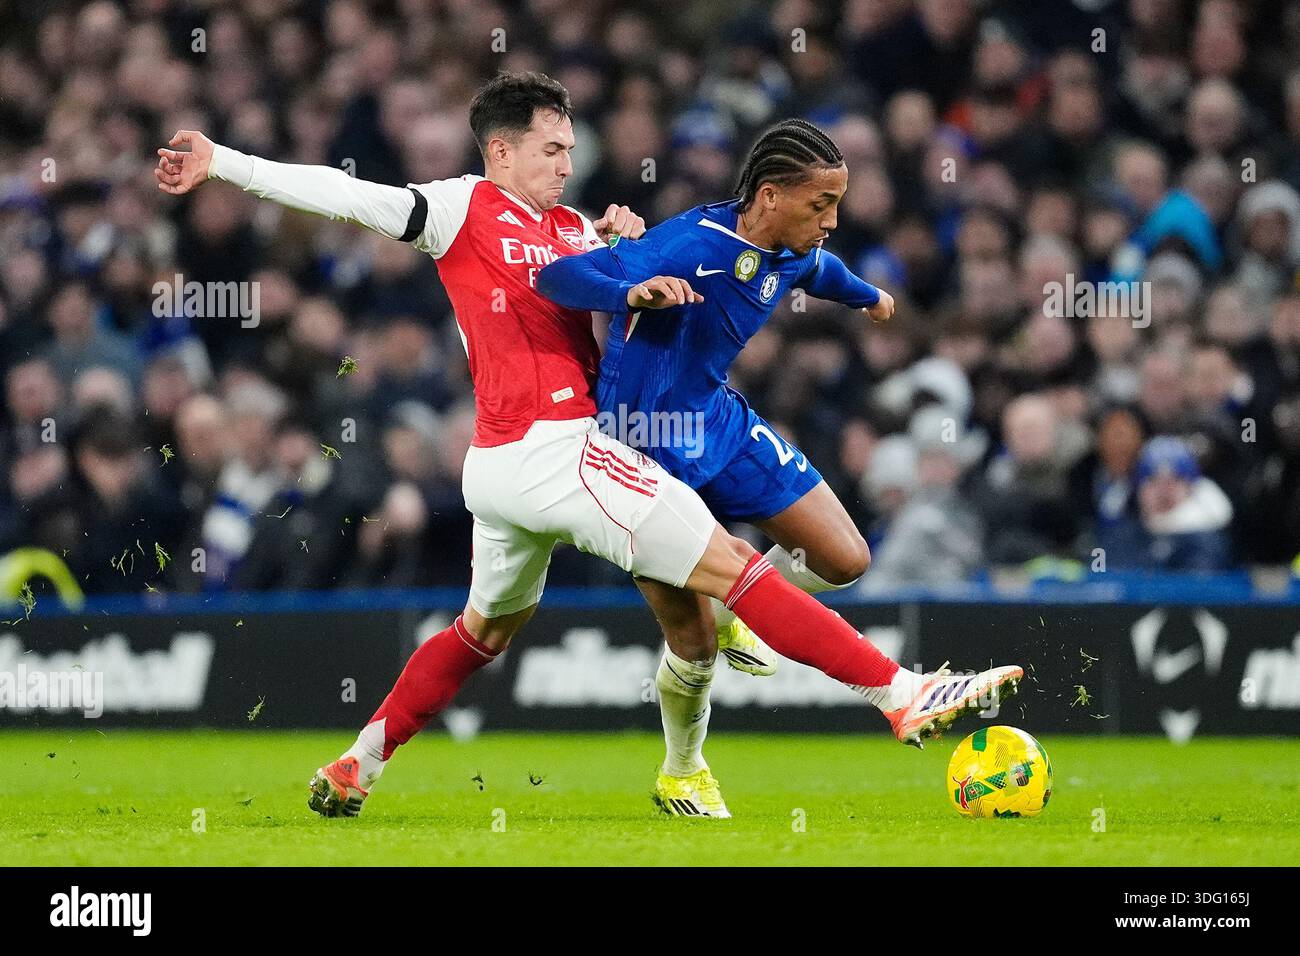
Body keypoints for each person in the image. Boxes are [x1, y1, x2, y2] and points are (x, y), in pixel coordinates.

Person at [156, 72, 1020, 820]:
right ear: (501, 151)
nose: (566, 164)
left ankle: (356, 766)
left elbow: (588, 275)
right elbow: (343, 194)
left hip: (502, 471)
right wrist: (224, 162)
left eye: (570, 149)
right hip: (557, 449)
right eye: (551, 149)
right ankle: (902, 694)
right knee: (728, 568)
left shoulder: (570, 225)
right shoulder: (458, 208)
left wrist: (616, 248)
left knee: (482, 632)